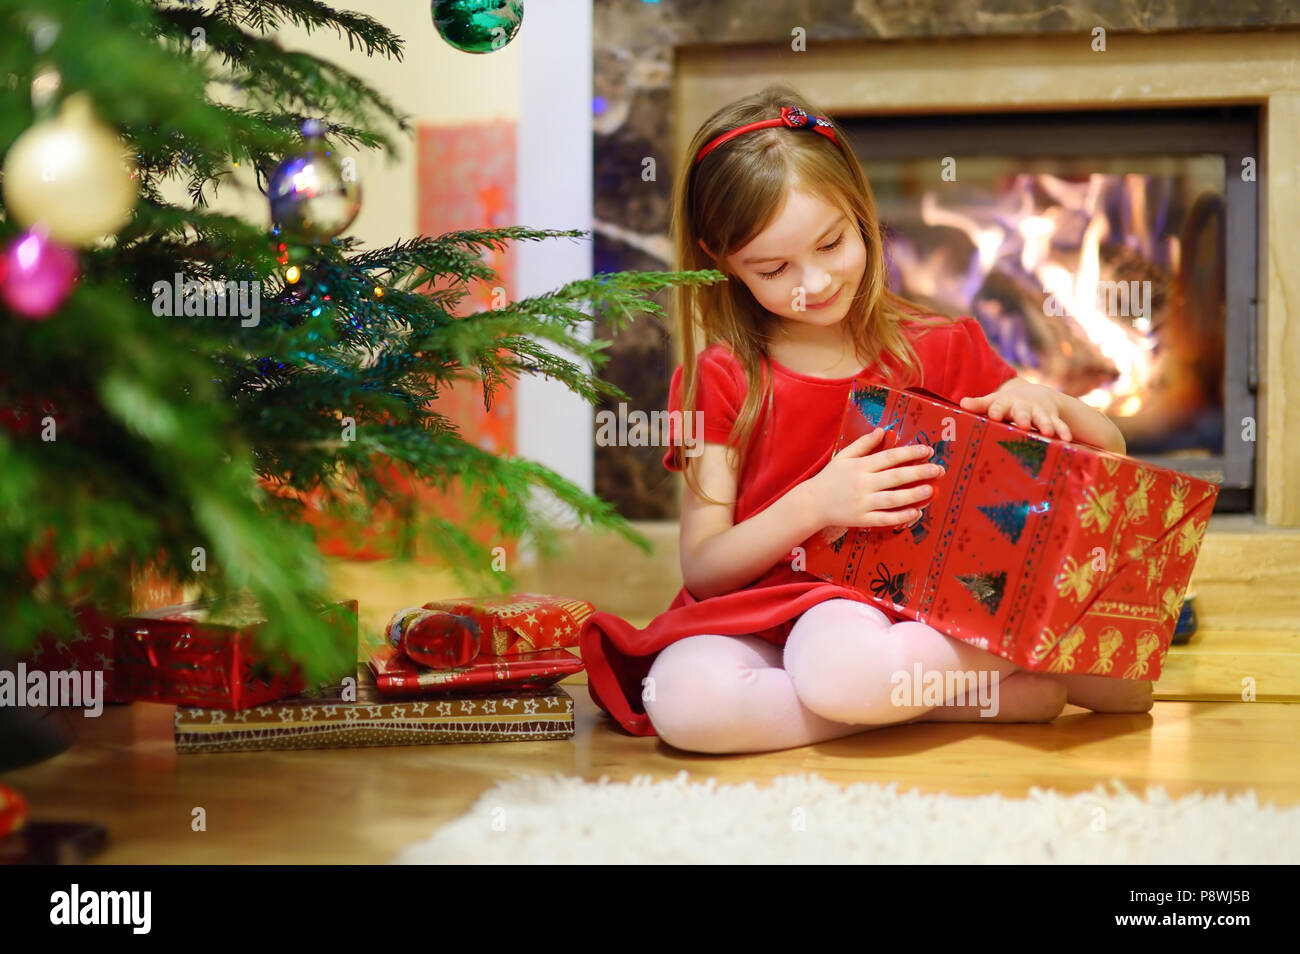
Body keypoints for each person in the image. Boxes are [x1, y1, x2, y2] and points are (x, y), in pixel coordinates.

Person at [577, 83, 1153, 754]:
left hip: (876, 614)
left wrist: (1049, 402)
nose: (814, 282)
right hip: (752, 616)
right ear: (722, 262)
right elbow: (705, 567)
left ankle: (967, 673)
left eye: (831, 244)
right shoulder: (722, 378)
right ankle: (974, 694)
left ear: (860, 212)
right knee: (680, 701)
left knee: (843, 667)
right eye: (773, 267)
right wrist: (816, 504)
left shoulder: (940, 345)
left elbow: (1109, 454)